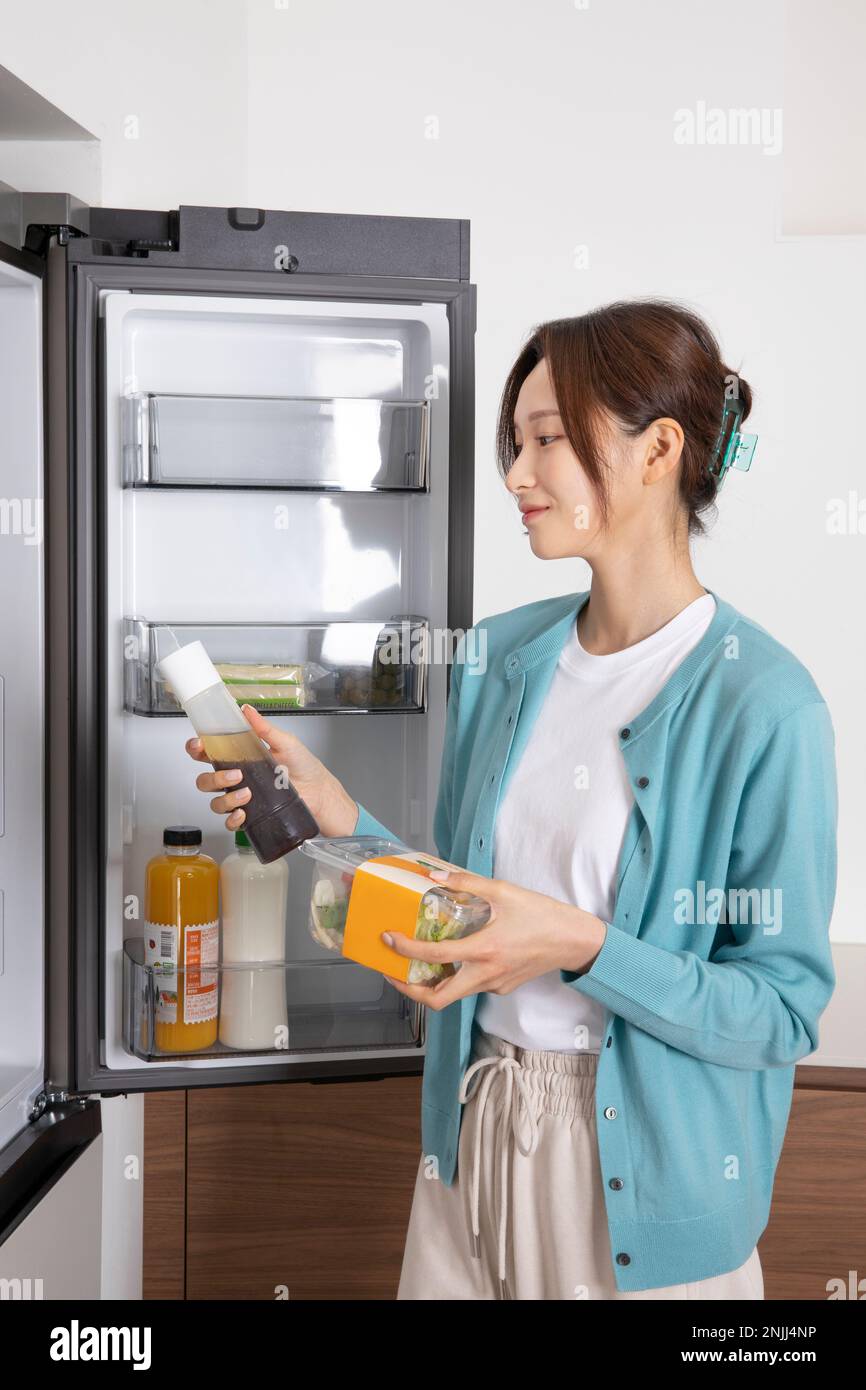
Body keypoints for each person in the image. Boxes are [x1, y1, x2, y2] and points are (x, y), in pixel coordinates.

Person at [185, 299, 838, 1301]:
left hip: (647, 1186)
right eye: (516, 443)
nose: (515, 476)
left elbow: (780, 1010)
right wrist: (342, 823)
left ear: (657, 448)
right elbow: (465, 905)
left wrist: (577, 943)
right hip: (472, 1137)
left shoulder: (763, 702)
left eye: (546, 442)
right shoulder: (505, 657)